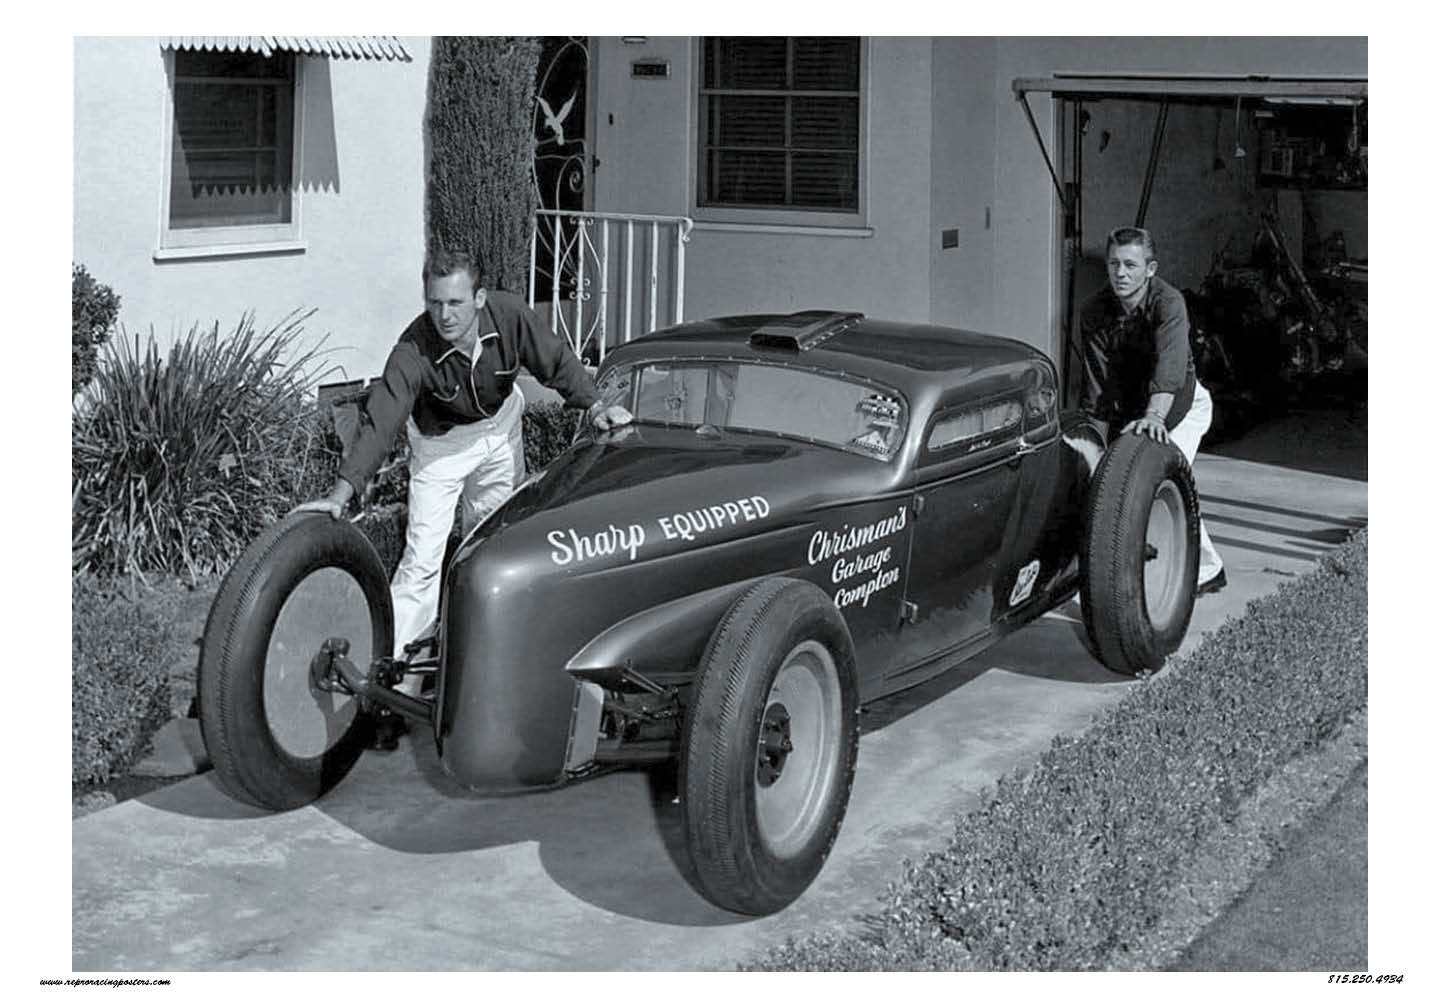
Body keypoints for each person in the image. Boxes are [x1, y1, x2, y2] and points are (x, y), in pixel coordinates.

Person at [294, 249, 633, 676]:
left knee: (493, 546)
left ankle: (487, 658)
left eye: (454, 302)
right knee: (421, 563)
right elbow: (379, 422)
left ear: (479, 298)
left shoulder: (509, 316)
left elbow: (555, 360)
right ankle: (394, 680)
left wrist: (594, 403)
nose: (444, 315)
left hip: (500, 429)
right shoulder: (412, 349)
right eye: (434, 303)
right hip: (440, 448)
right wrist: (341, 493)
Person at [1077, 226, 1225, 595]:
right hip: (1136, 413)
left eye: (1130, 264)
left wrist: (1156, 416)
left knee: (1158, 483)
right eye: (1114, 264)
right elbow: (1097, 386)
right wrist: (1093, 446)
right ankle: (1206, 564)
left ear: (1151, 268)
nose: (1120, 273)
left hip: (1179, 408)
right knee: (1114, 480)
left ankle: (1203, 568)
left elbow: (1170, 368)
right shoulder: (1094, 311)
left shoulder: (1169, 302)